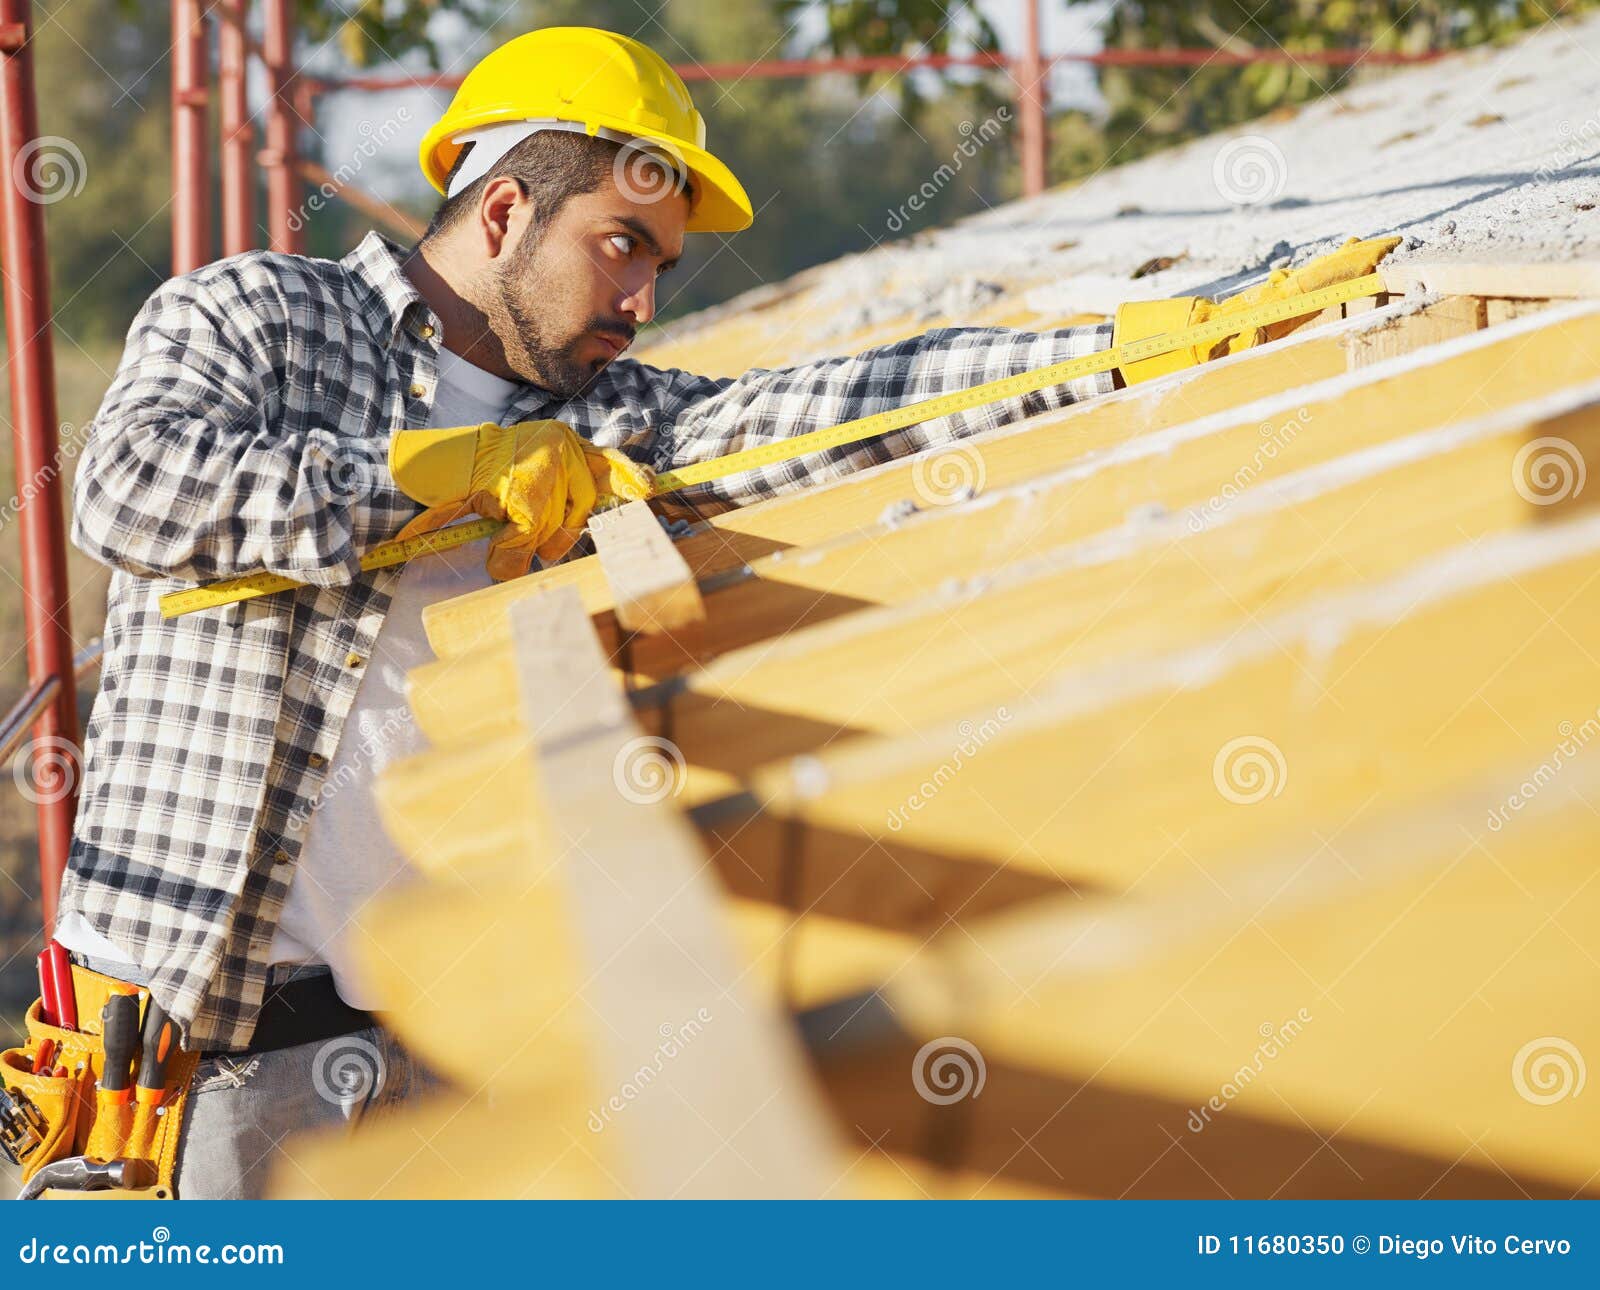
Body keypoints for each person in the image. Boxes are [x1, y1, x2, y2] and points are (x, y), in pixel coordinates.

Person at [52, 25, 1393, 1198]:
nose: (642, 300)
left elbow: (857, 399)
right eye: (623, 246)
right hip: (187, 1063)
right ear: (507, 210)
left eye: (664, 268)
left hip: (439, 1044)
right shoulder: (262, 315)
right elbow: (129, 493)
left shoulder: (606, 419)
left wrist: (1145, 341)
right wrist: (422, 477)